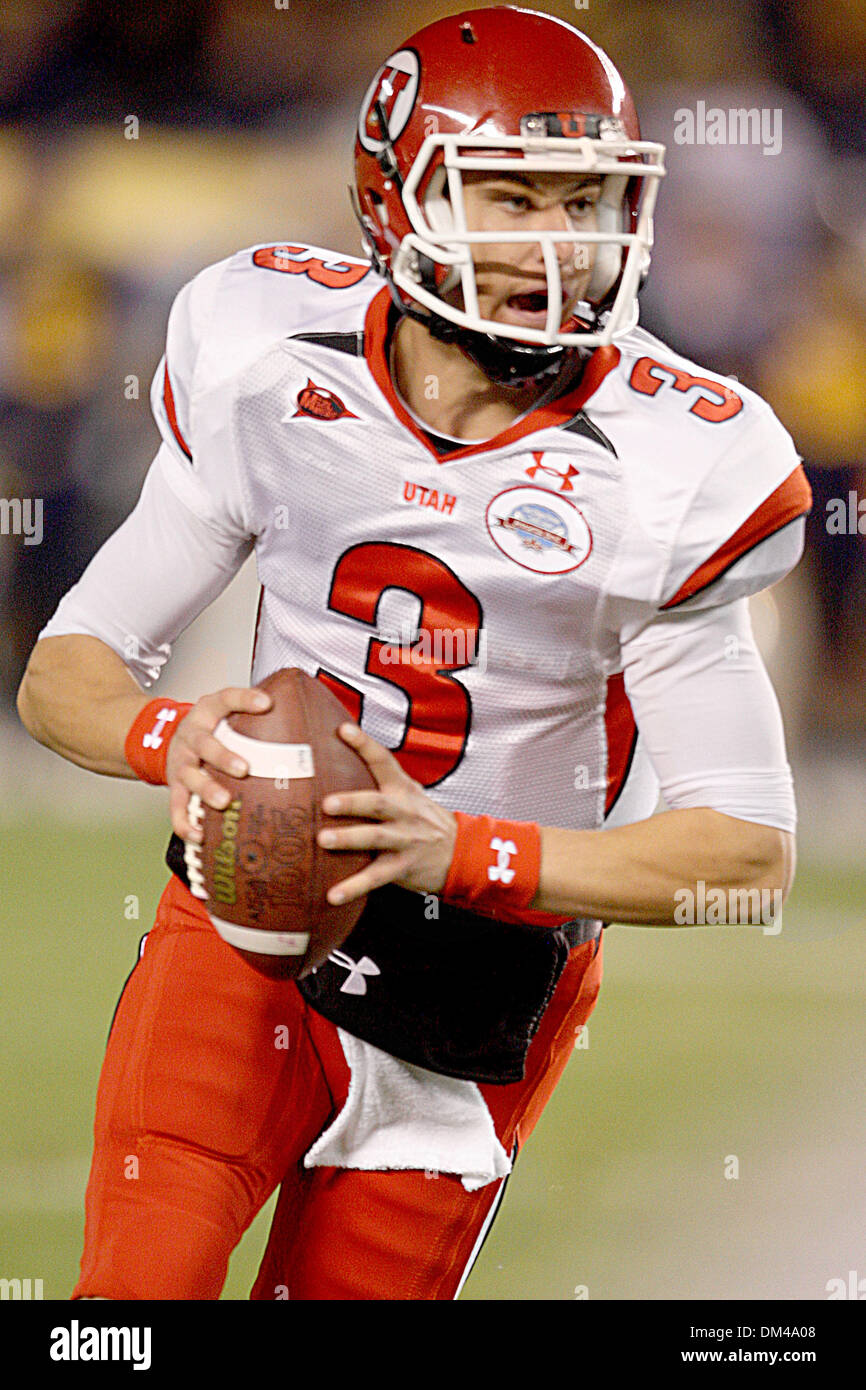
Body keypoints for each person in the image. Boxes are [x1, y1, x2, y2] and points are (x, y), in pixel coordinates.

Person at [17, 6, 808, 1301]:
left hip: (483, 983)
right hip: (251, 919)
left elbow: (744, 857)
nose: (558, 246)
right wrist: (183, 738)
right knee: (126, 1317)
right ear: (400, 196)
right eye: (512, 200)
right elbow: (67, 675)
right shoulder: (267, 353)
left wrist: (461, 850)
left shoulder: (682, 458)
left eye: (584, 203)